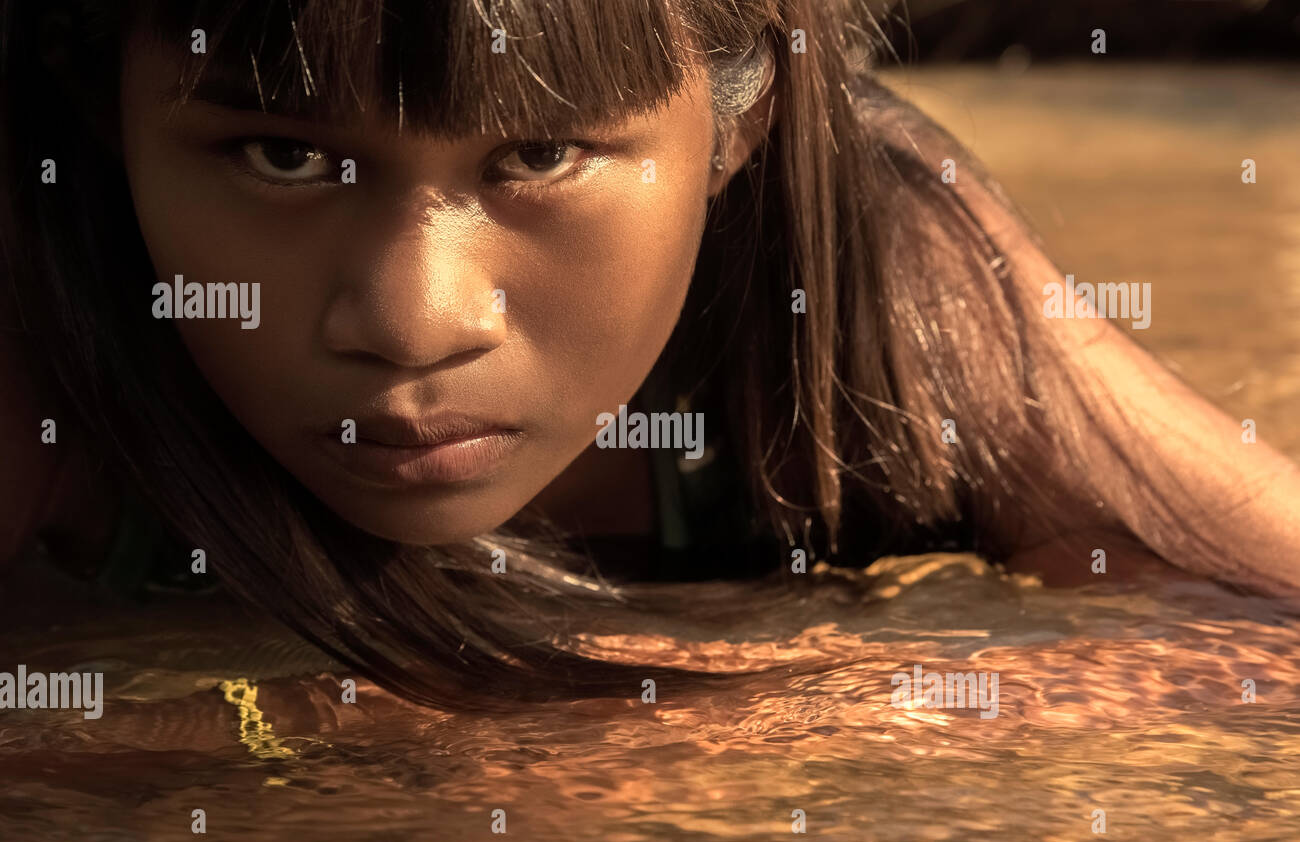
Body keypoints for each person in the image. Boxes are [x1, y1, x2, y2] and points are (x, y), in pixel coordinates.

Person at [3, 0, 1298, 710]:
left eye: (540, 155)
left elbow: (1260, 622)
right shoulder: (42, 356)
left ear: (741, 119)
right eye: (283, 157)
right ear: (100, 105)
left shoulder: (883, 288)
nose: (411, 318)